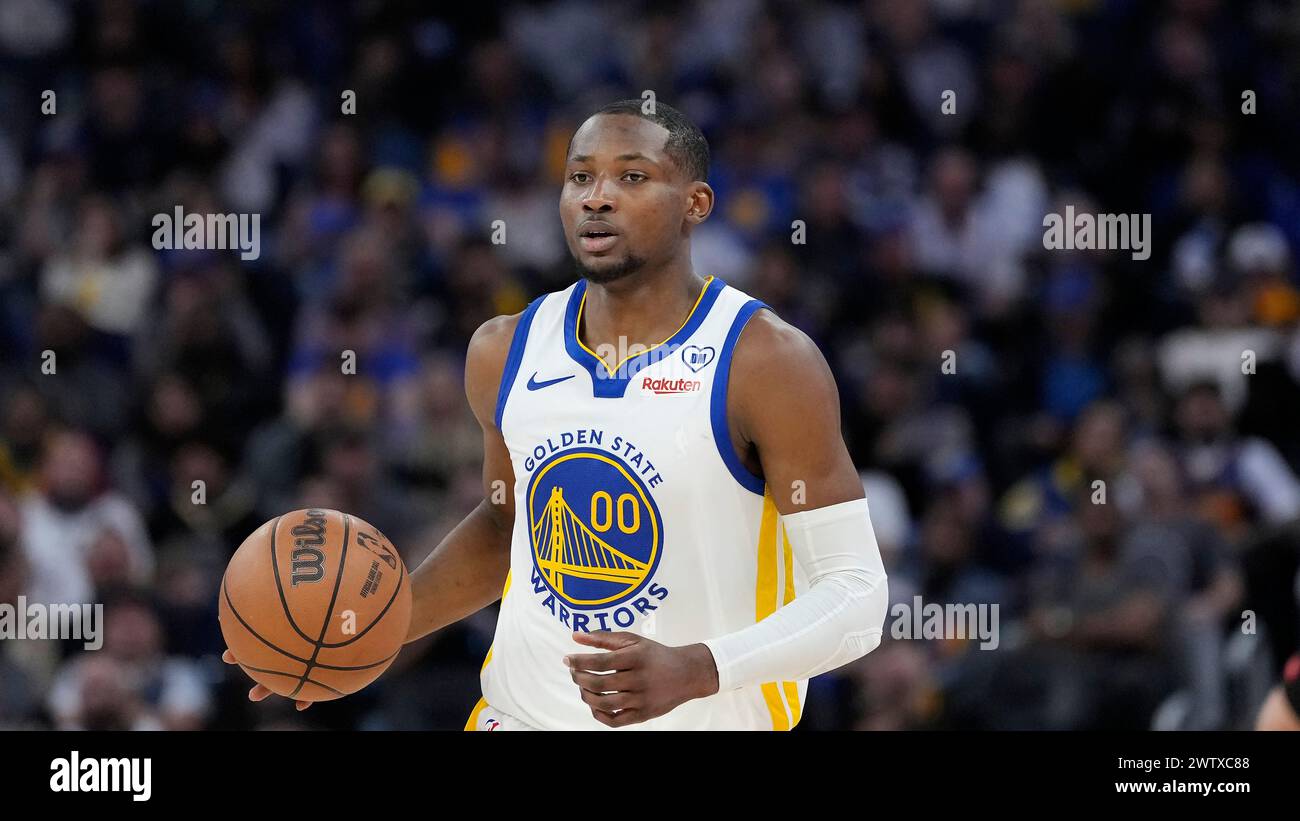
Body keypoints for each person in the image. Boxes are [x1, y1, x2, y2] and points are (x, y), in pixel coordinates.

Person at [226, 100, 889, 729]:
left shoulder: (766, 360)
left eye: (632, 175)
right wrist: (349, 635)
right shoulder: (505, 347)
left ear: (695, 205)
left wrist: (701, 668)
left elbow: (858, 596)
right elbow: (506, 523)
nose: (597, 196)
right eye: (580, 176)